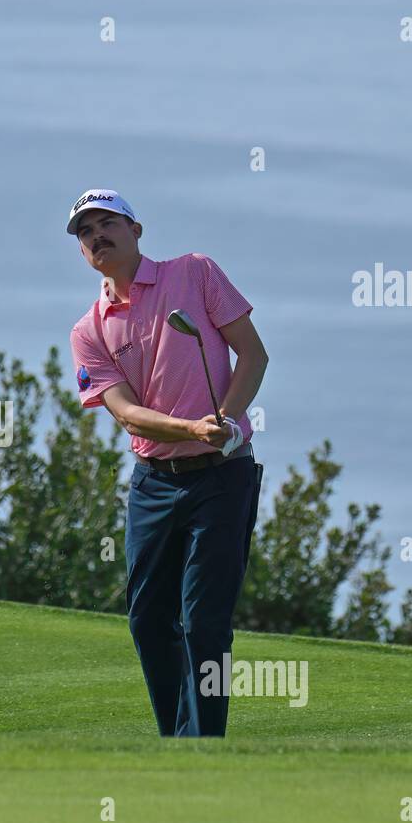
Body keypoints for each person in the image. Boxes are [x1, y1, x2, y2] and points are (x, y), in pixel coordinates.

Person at [66, 189, 269, 737]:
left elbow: (252, 353)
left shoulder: (195, 273)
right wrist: (191, 428)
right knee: (148, 619)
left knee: (204, 623)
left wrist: (224, 420)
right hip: (154, 483)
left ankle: (202, 747)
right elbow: (129, 415)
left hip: (222, 476)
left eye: (109, 222)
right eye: (86, 232)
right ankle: (176, 743)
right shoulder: (88, 331)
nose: (97, 235)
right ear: (82, 252)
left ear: (137, 230)